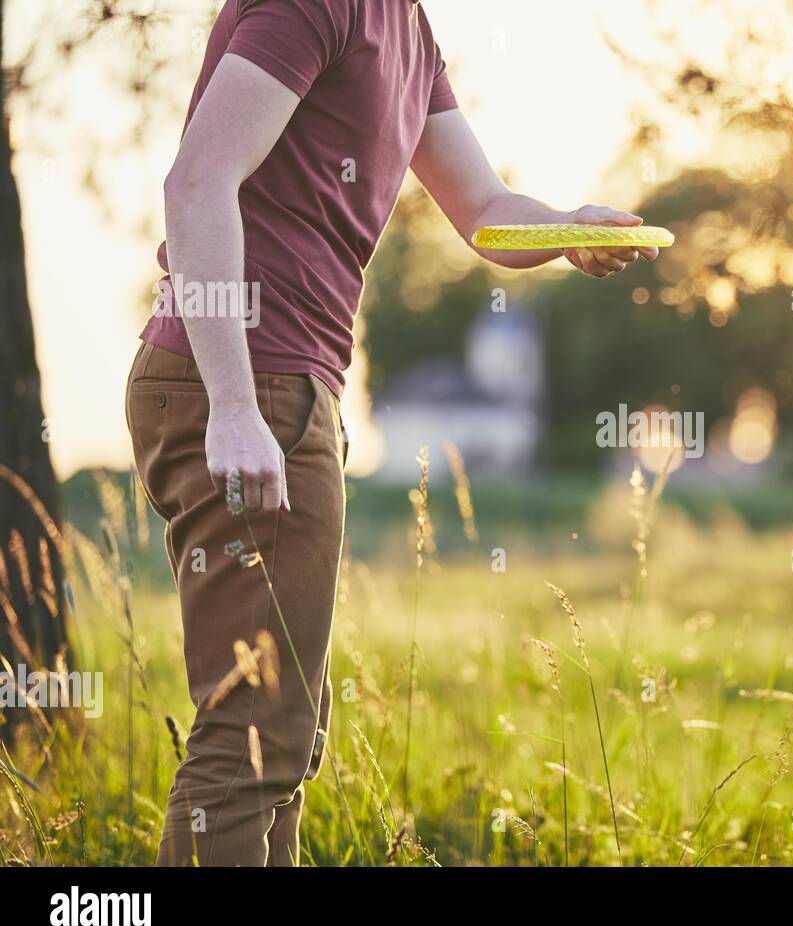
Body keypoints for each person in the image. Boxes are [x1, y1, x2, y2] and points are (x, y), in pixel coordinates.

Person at [125, 0, 653, 866]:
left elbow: (483, 209)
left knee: (285, 740)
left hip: (291, 389)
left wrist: (567, 229)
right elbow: (196, 181)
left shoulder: (406, 28)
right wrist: (230, 403)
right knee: (251, 739)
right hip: (249, 378)